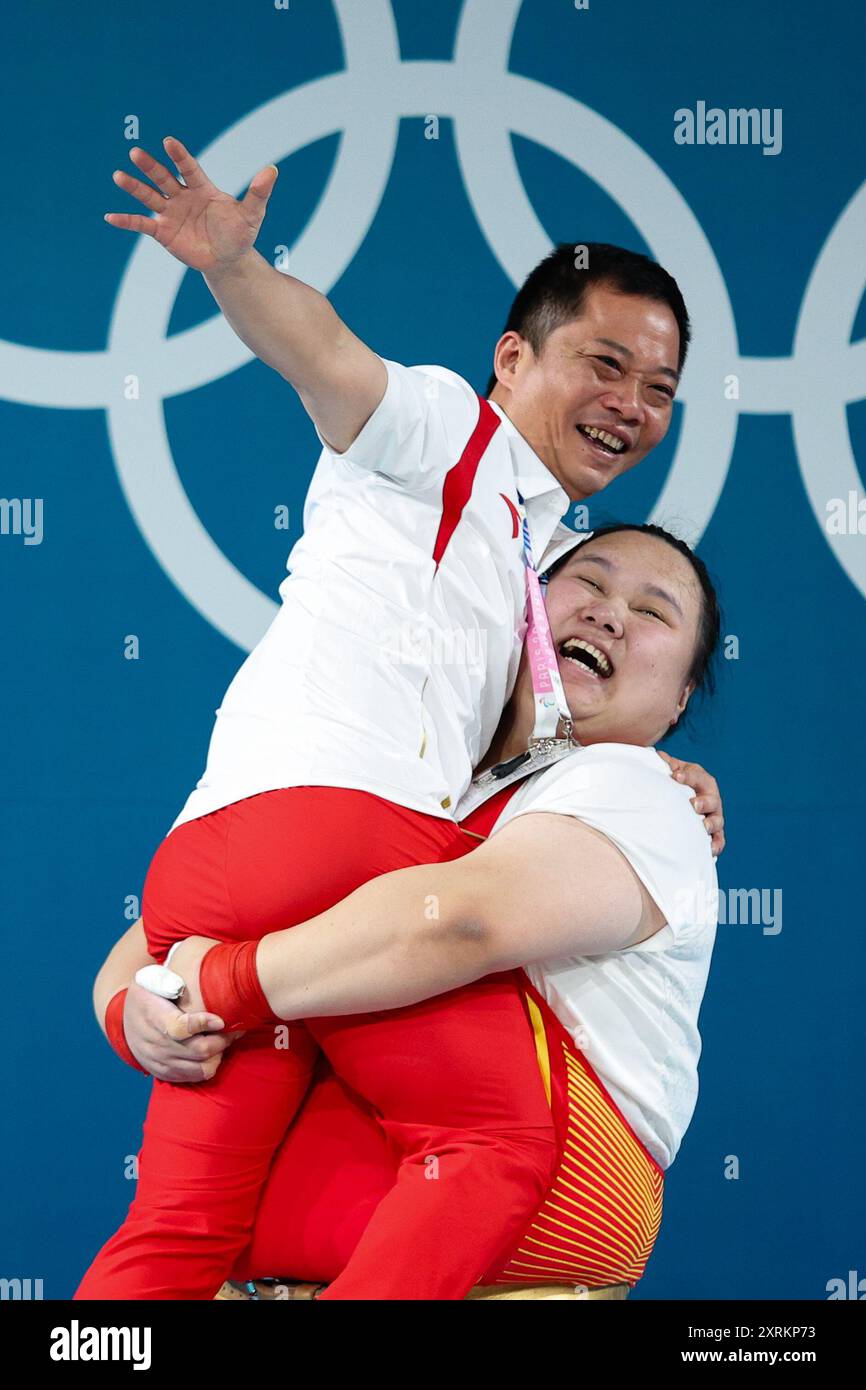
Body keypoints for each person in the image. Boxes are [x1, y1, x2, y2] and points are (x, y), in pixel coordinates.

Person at [76, 137, 723, 1300]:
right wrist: (234, 269)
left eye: (659, 390)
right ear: (510, 357)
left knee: (176, 1238)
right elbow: (329, 361)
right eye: (603, 364)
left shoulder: (526, 579)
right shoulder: (444, 432)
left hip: (200, 872)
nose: (629, 405)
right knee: (496, 1146)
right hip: (338, 849)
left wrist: (139, 1005)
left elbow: (538, 761)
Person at [138, 523, 723, 1300]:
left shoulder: (640, 790)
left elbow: (458, 923)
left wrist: (220, 981)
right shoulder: (419, 776)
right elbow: (163, 941)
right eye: (589, 582)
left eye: (653, 611)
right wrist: (144, 1010)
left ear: (681, 696)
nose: (609, 613)